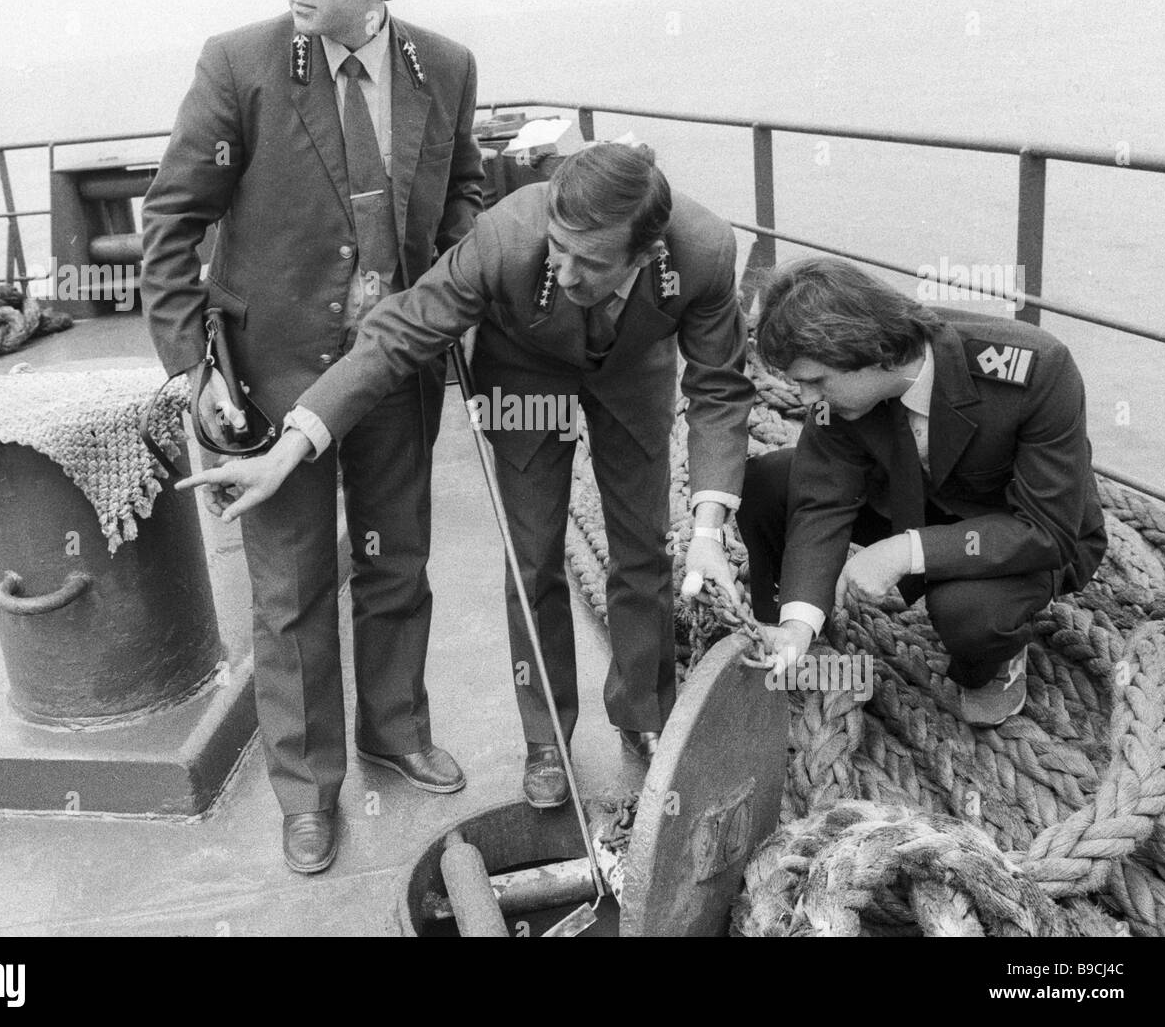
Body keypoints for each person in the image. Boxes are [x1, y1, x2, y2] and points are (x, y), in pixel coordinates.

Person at [178, 143, 755, 807]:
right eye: (558, 250)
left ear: (645, 251)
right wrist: (287, 449)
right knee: (532, 555)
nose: (564, 272)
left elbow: (720, 387)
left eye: (590, 262)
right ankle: (546, 737)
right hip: (526, 376)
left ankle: (644, 714)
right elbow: (395, 335)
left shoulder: (703, 250)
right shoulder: (505, 238)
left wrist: (709, 529)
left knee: (644, 551)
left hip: (633, 377)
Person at [141, 0, 484, 874]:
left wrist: (450, 276)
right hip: (264, 379)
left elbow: (459, 184)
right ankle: (307, 788)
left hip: (398, 371)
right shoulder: (240, 63)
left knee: (396, 564)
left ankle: (394, 725)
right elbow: (170, 225)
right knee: (289, 593)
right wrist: (188, 368)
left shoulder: (446, 67)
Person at [738, 257, 1108, 727]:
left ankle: (997, 663)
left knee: (968, 612)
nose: (808, 400)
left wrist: (905, 552)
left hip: (1024, 532)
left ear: (874, 352)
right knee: (770, 482)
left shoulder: (1036, 369)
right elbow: (820, 501)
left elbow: (1046, 530)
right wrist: (798, 619)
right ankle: (796, 630)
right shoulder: (842, 400)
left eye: (816, 381)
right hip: (914, 500)